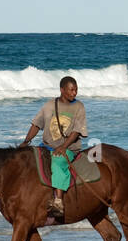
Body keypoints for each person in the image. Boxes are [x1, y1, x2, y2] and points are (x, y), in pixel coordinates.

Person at [21, 76, 88, 217]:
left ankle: (58, 201)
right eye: (71, 90)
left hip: (69, 148)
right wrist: (26, 141)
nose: (74, 93)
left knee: (57, 163)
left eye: (76, 90)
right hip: (46, 146)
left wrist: (64, 146)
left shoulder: (79, 106)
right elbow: (36, 124)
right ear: (62, 90)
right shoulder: (49, 105)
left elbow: (76, 131)